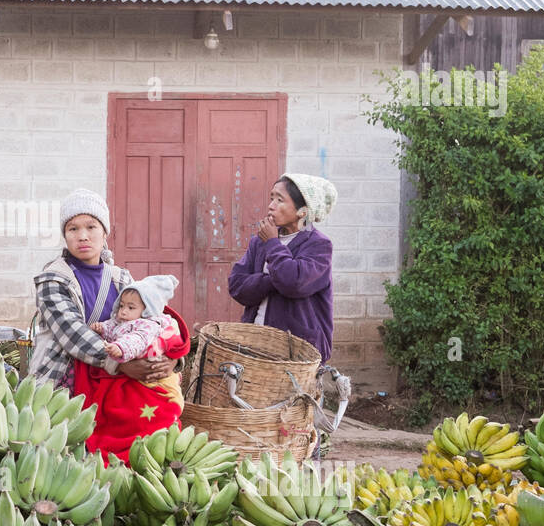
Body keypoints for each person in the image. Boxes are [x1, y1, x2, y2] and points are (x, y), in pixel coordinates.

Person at [29, 190, 189, 463]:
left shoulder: (121, 278)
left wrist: (169, 360)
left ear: (105, 232)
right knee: (70, 458)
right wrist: (122, 364)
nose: (82, 236)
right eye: (73, 228)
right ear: (64, 235)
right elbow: (73, 335)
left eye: (91, 227)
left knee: (142, 447)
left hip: (114, 386)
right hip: (65, 382)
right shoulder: (52, 280)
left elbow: (151, 321)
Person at [227, 173, 337, 364]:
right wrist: (272, 279)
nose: (271, 205)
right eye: (271, 198)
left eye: (280, 200)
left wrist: (272, 243)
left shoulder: (319, 245)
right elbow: (237, 286)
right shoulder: (259, 242)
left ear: (303, 211)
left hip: (299, 351)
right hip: (256, 344)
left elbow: (293, 283)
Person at [89, 275, 184, 403]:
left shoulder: (147, 325)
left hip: (146, 369)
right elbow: (112, 326)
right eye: (121, 306)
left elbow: (137, 339)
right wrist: (102, 328)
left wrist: (121, 348)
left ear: (147, 310)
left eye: (131, 307)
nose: (123, 311)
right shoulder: (122, 320)